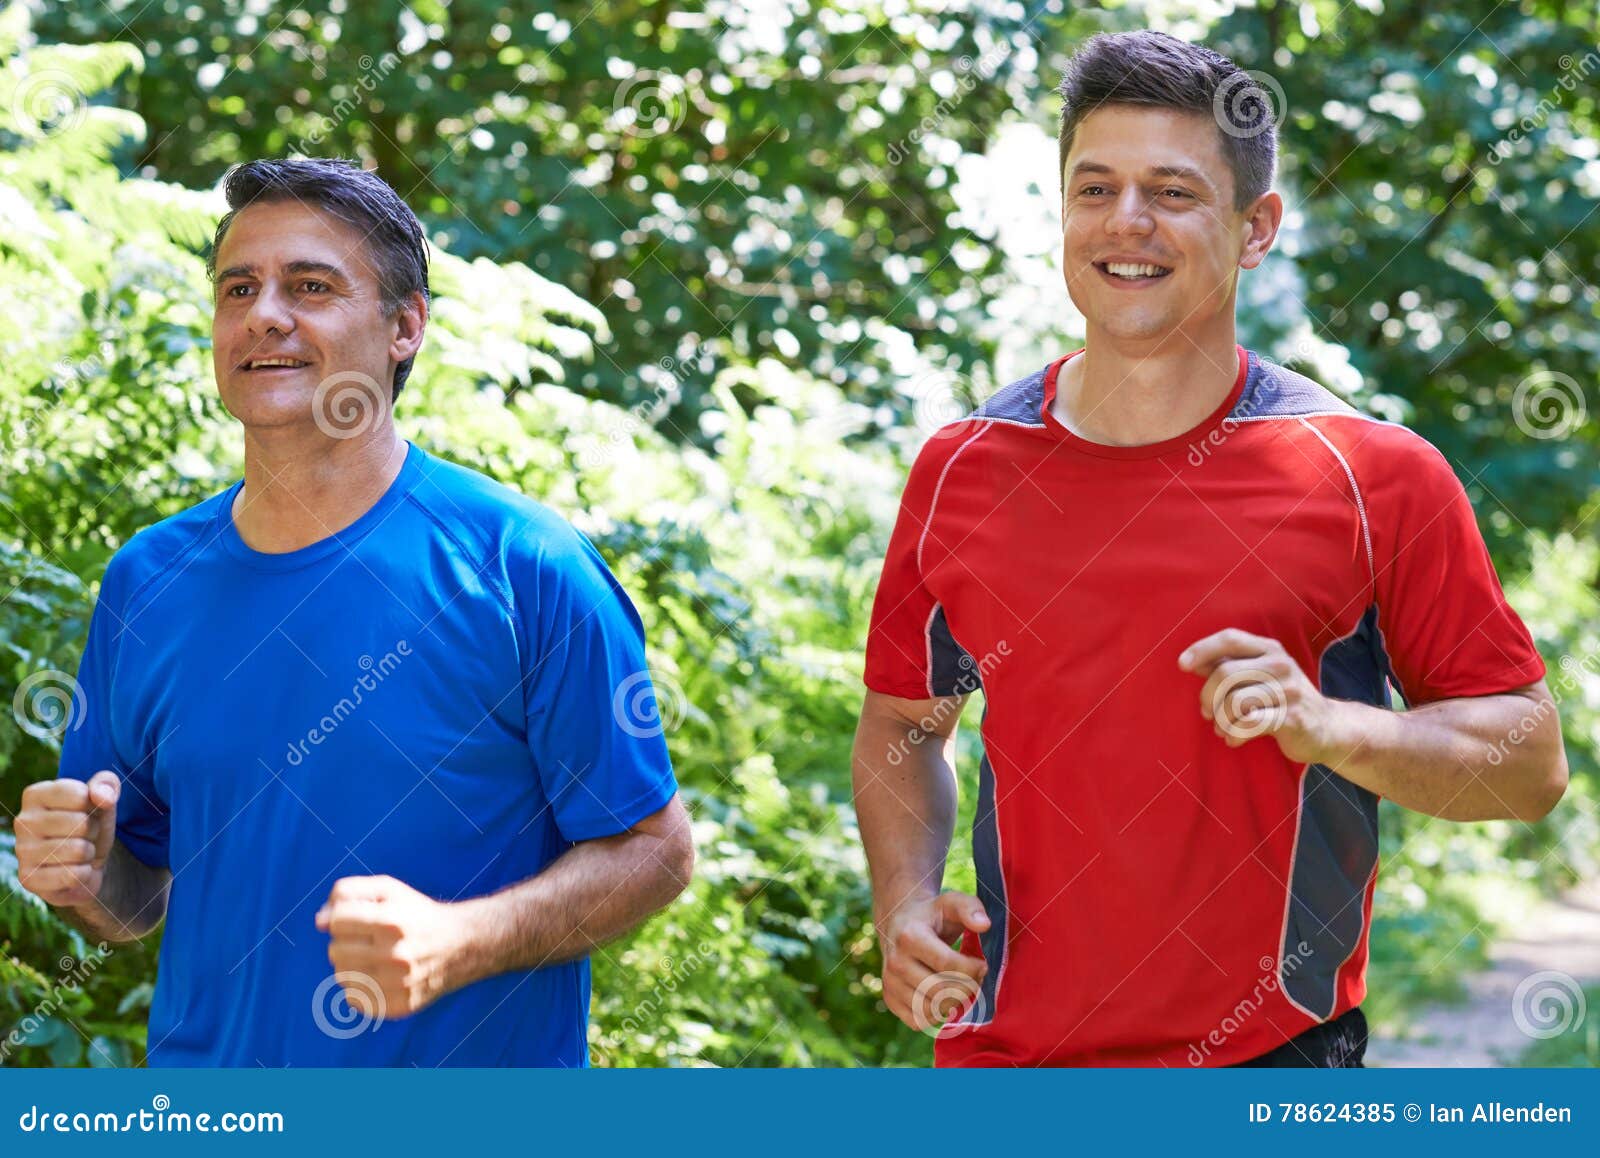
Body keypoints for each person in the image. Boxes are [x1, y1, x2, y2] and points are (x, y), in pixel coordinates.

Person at [852, 30, 1567, 1068]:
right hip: (1000, 1068)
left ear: (1254, 227)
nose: (1125, 223)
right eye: (1093, 188)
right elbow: (904, 727)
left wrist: (1329, 727)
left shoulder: (1373, 476)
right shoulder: (962, 467)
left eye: (1172, 193)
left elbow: (1527, 766)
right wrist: (906, 901)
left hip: (1267, 1068)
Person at [14, 158, 693, 1067]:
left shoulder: (521, 564)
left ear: (405, 326)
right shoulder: (149, 580)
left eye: (311, 286)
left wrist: (462, 940)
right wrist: (86, 875)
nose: (263, 314)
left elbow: (655, 852)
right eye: (238, 288)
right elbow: (139, 898)